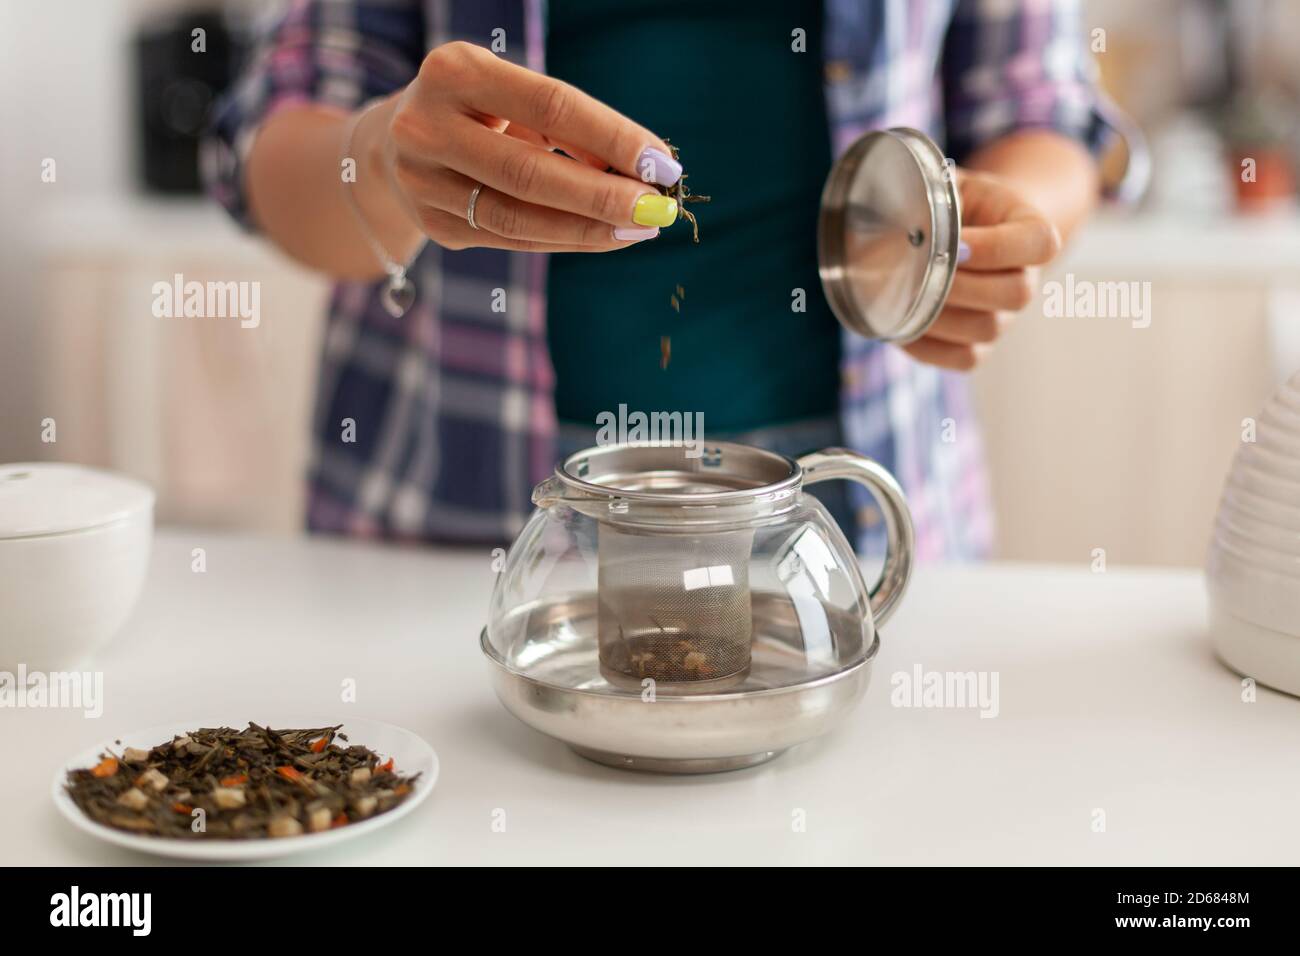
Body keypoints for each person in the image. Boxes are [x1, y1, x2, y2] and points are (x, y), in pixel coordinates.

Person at [206, 0, 1114, 558]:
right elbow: (271, 154)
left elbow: (1045, 117)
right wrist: (384, 154)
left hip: (856, 506)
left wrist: (979, 234)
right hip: (457, 512)